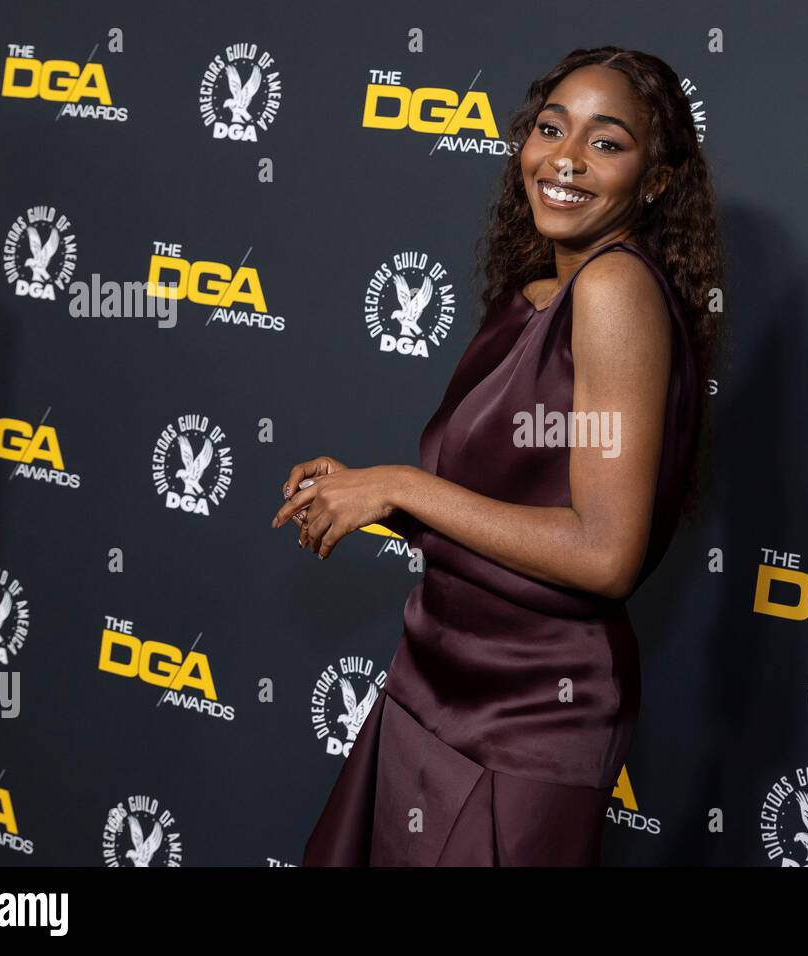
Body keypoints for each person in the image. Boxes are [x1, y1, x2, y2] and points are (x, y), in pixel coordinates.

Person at [272, 46, 725, 866]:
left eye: (607, 142)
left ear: (655, 182)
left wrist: (404, 485)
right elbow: (501, 513)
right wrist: (381, 493)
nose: (566, 159)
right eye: (551, 128)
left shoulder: (616, 291)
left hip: (525, 719)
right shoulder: (537, 296)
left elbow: (603, 551)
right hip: (433, 683)